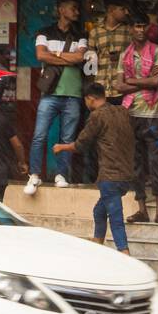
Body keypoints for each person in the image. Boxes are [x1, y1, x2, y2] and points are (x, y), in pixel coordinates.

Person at [53, 81, 135, 254]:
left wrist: (62, 147)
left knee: (116, 219)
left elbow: (81, 145)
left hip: (110, 175)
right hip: (126, 174)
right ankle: (97, 247)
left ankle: (125, 256)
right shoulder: (121, 111)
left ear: (90, 99)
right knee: (99, 211)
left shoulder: (97, 116)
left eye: (85, 100)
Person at [25, 0, 87, 195]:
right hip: (50, 93)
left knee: (67, 139)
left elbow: (80, 58)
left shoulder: (80, 33)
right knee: (39, 135)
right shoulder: (44, 32)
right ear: (61, 10)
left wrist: (56, 56)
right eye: (73, 8)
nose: (76, 12)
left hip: (73, 93)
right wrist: (67, 58)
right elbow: (40, 55)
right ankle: (34, 174)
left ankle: (61, 174)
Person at [118, 13, 158, 227]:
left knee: (155, 162)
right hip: (131, 112)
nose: (139, 30)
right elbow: (118, 86)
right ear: (130, 29)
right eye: (136, 26)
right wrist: (143, 82)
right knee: (136, 164)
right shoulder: (125, 54)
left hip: (152, 114)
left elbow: (156, 80)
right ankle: (142, 209)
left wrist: (131, 81)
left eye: (142, 26)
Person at [86, 0, 132, 102]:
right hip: (100, 89)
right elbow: (89, 66)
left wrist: (121, 57)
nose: (126, 12)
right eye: (122, 9)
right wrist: (92, 60)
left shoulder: (129, 31)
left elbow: (136, 57)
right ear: (111, 10)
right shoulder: (95, 32)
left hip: (122, 89)